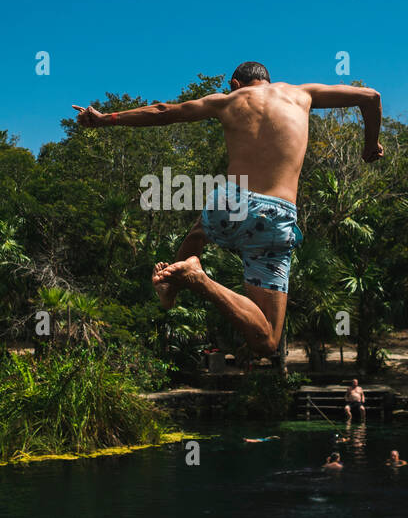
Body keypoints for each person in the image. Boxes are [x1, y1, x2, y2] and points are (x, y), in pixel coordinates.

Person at [73, 61, 382, 356]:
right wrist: (370, 145)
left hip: (232, 200)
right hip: (277, 214)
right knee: (268, 341)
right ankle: (198, 280)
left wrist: (105, 119)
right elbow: (370, 97)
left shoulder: (226, 100)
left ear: (235, 84)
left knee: (199, 231)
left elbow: (164, 111)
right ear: (269, 81)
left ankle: (172, 286)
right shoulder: (303, 93)